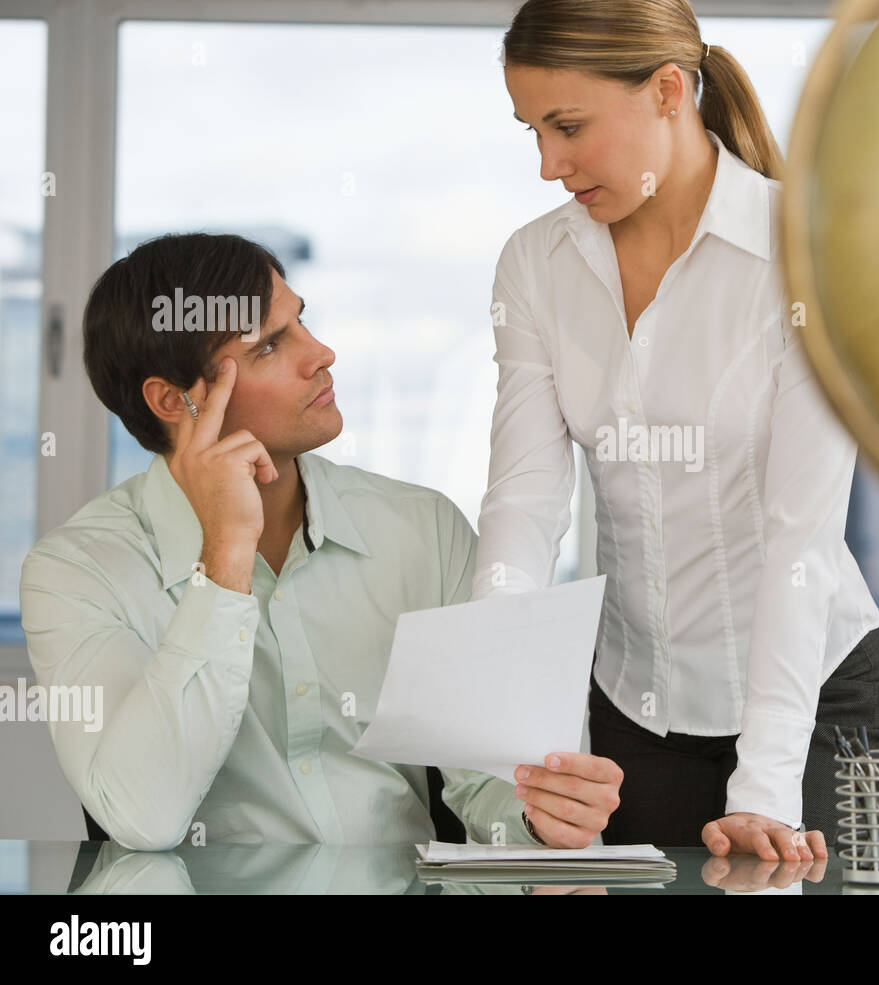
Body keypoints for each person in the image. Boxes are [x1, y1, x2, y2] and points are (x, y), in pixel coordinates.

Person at [19, 233, 621, 852]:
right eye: (270, 347)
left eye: (300, 320)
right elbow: (145, 818)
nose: (322, 353)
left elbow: (487, 785)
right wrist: (225, 556)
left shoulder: (422, 529)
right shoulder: (77, 572)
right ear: (174, 401)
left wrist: (539, 816)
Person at [472, 0, 879, 861]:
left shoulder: (806, 254)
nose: (550, 164)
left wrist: (766, 791)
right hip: (635, 702)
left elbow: (800, 541)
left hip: (811, 696)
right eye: (533, 131)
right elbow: (523, 502)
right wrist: (512, 720)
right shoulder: (535, 265)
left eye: (568, 126)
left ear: (668, 91)